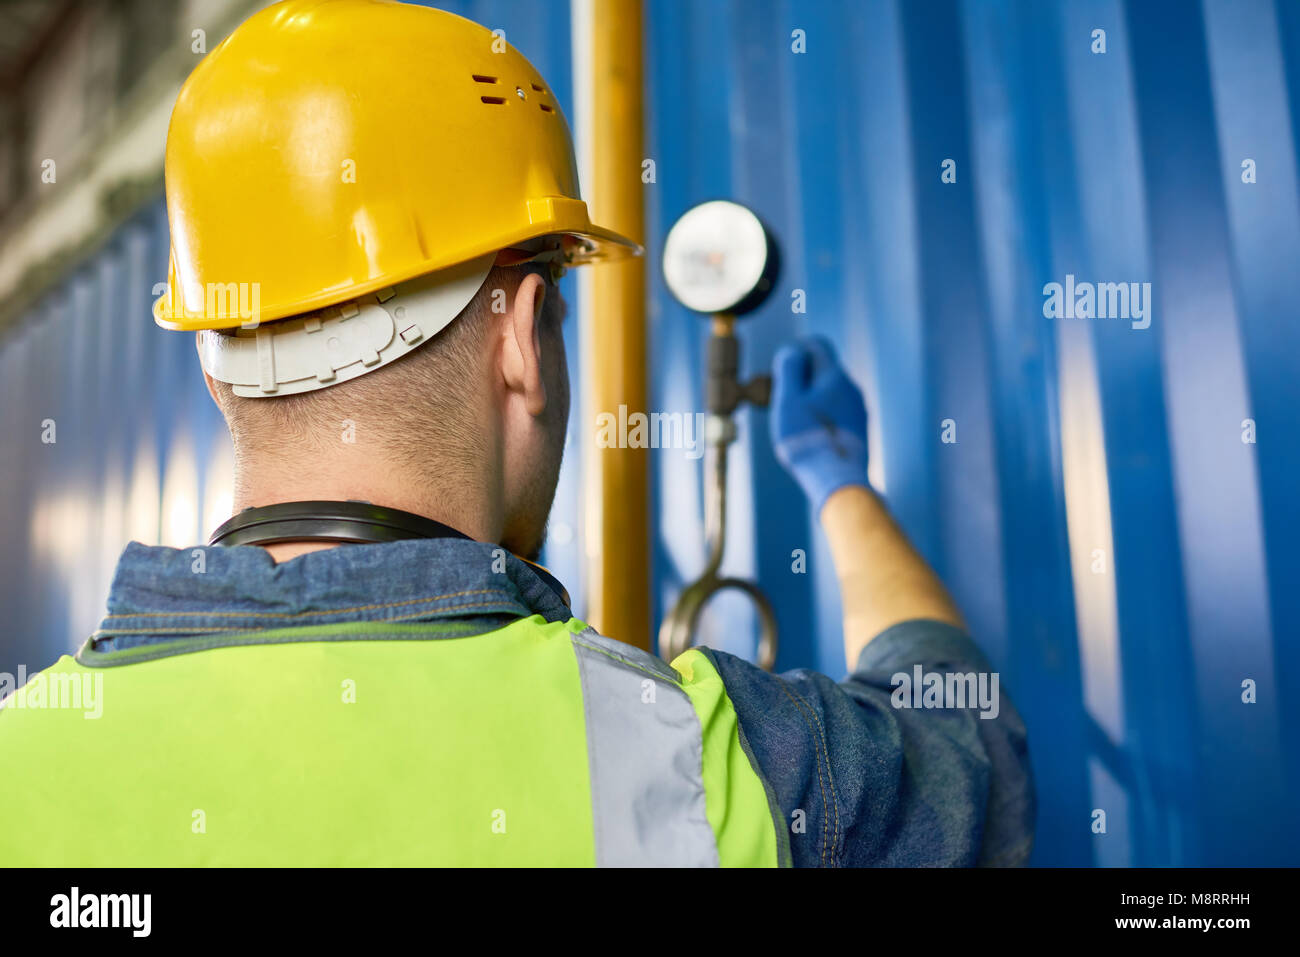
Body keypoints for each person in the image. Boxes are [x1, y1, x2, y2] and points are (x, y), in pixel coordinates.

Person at [0, 0, 1032, 867]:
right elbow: (969, 763)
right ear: (525, 343)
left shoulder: (24, 760)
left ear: (211, 353)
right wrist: (837, 484)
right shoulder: (698, 765)